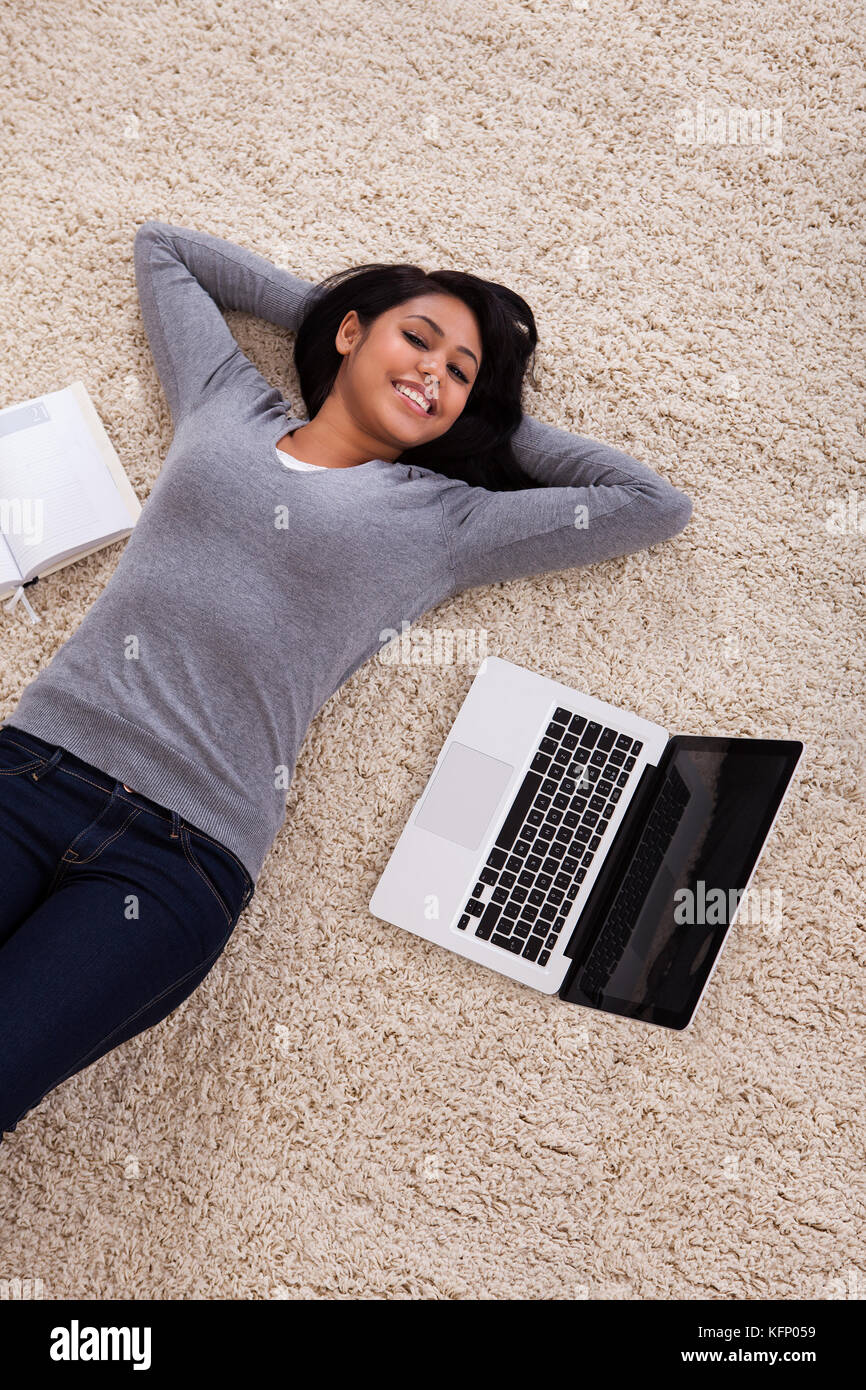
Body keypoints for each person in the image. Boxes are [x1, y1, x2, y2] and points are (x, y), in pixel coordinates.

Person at [0, 221, 693, 1142]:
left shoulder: (450, 520)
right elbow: (164, 248)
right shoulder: (225, 401)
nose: (434, 375)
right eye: (418, 339)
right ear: (350, 332)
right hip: (31, 773)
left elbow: (653, 505)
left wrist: (487, 416)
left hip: (181, 854)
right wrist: (334, 312)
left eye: (461, 373)